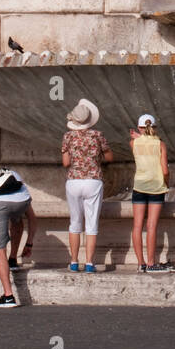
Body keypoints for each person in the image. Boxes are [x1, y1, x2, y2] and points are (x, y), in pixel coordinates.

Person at [61, 98, 113, 272]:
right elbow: (109, 158)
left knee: (75, 223)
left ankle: (74, 261)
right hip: (93, 180)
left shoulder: (68, 137)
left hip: (74, 180)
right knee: (91, 224)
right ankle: (90, 263)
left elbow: (66, 162)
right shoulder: (98, 135)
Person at [0, 166, 33, 307]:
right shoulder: (17, 177)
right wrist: (29, 243)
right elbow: (32, 218)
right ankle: (13, 259)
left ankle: (8, 296)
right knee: (17, 218)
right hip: (22, 201)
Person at [130, 114, 170, 273]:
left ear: (140, 128)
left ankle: (141, 263)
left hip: (139, 187)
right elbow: (165, 170)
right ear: (155, 127)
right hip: (156, 187)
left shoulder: (133, 143)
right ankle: (152, 263)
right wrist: (167, 182)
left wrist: (138, 136)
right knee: (151, 226)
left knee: (137, 225)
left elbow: (142, 141)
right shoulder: (161, 144)